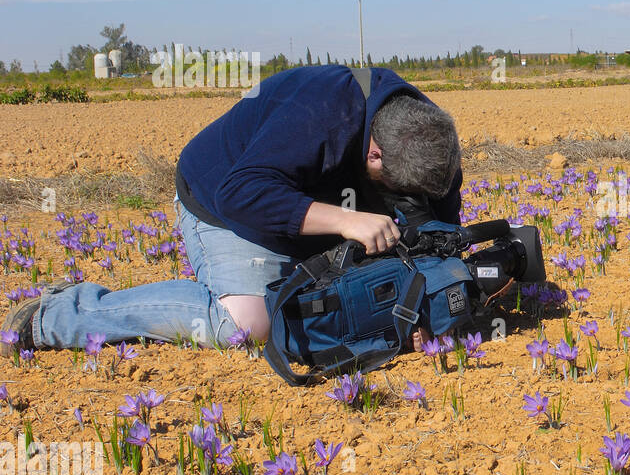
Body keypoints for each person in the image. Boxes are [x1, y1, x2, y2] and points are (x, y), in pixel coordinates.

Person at [1, 65, 463, 356]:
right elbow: (242, 193)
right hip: (225, 199)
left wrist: (437, 296)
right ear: (374, 154)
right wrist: (346, 220)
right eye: (396, 191)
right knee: (248, 322)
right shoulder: (320, 114)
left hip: (314, 206)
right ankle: (63, 312)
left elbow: (437, 223)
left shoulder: (427, 137)